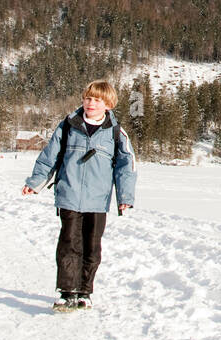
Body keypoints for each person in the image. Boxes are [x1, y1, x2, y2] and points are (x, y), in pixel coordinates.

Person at [22, 80, 137, 311]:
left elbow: (126, 167)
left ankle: (84, 291)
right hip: (69, 195)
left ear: (108, 104)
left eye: (97, 100)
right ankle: (66, 292)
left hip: (98, 199)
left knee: (91, 246)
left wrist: (125, 198)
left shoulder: (116, 132)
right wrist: (35, 182)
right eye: (88, 98)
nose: (90, 103)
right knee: (69, 244)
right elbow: (50, 156)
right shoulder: (67, 126)